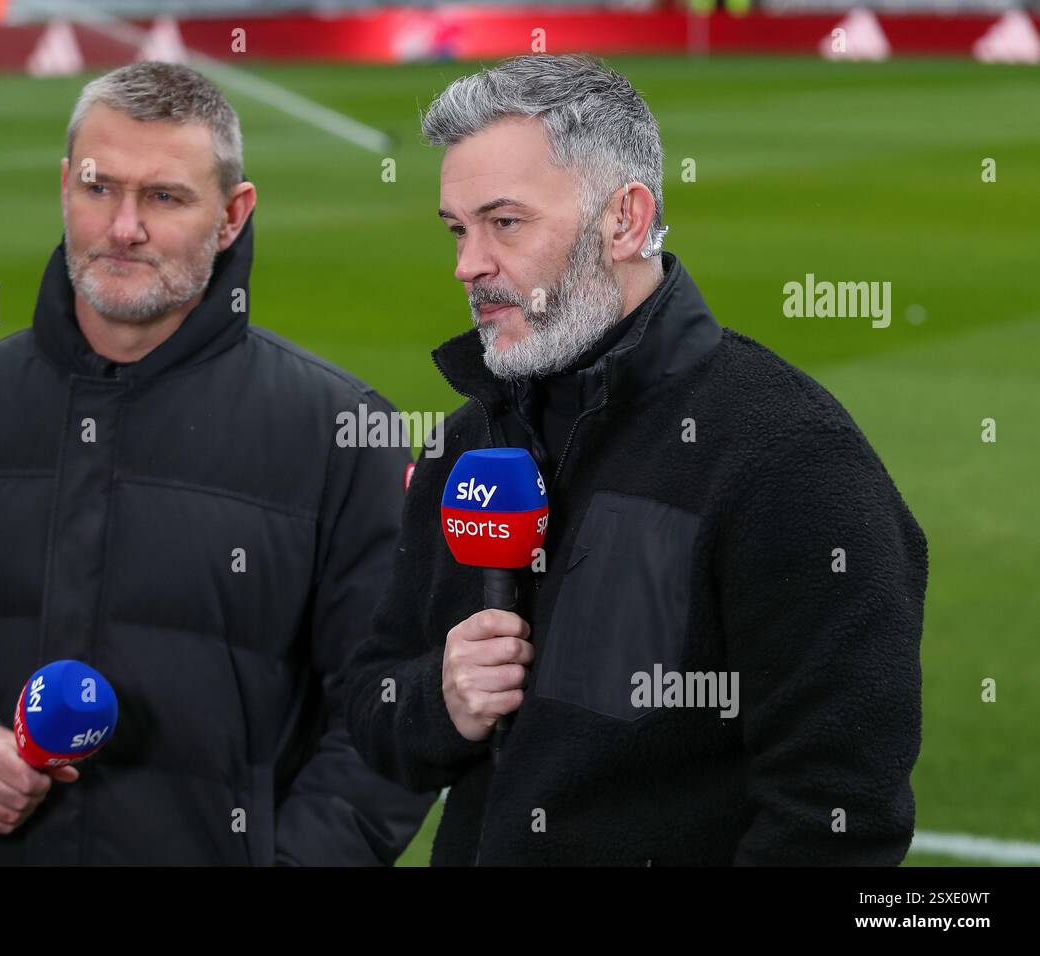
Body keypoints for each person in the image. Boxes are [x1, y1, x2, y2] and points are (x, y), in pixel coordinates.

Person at [0, 60, 434, 865]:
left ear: (232, 215)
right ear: (65, 186)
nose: (122, 227)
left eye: (164, 197)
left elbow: (387, 708)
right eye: (99, 188)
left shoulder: (340, 431)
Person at [346, 54, 928, 865]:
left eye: (504, 223)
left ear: (624, 219)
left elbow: (837, 821)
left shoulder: (793, 461)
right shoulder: (469, 440)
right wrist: (440, 702)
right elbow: (373, 706)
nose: (467, 265)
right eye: (457, 228)